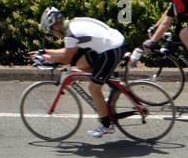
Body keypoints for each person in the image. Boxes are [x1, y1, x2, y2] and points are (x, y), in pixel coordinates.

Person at [35, 8, 125, 138]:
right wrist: (44, 52)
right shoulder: (72, 25)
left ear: (56, 26)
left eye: (52, 32)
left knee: (94, 89)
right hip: (110, 44)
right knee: (81, 65)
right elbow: (66, 52)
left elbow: (66, 58)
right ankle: (107, 88)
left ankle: (107, 125)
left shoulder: (71, 34)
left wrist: (45, 58)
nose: (53, 35)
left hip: (111, 50)